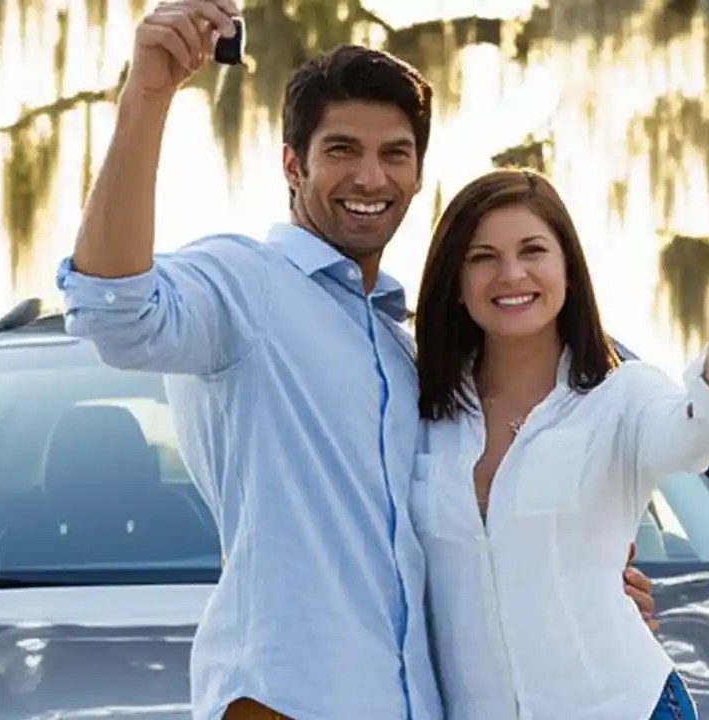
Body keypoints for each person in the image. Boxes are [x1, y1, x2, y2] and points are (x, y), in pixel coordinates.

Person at [54, 2, 656, 718]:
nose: (370, 177)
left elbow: (472, 539)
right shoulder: (248, 287)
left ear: (417, 175)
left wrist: (577, 601)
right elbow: (112, 311)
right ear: (291, 163)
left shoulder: (413, 361)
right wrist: (147, 97)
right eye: (341, 150)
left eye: (393, 154)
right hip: (285, 702)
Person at [411, 169, 709, 719]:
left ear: (568, 269)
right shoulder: (419, 408)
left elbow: (699, 435)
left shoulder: (623, 396)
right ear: (457, 283)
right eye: (482, 256)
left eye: (533, 250)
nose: (511, 274)